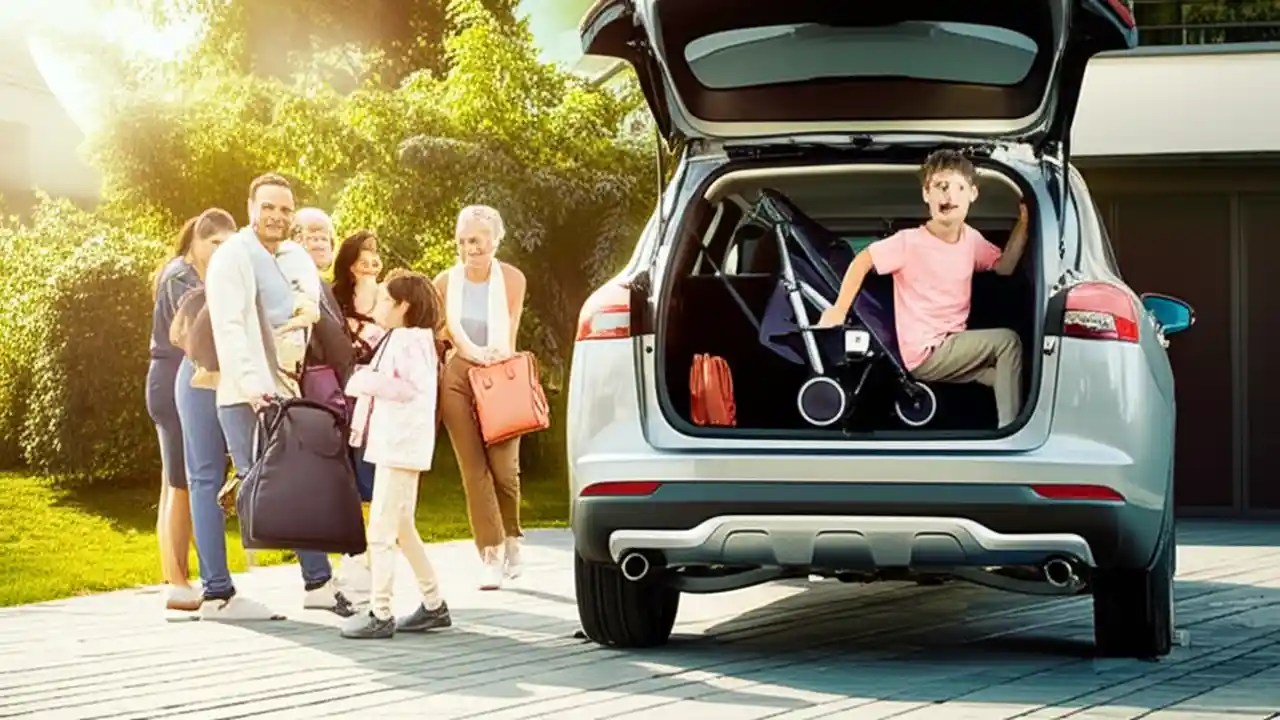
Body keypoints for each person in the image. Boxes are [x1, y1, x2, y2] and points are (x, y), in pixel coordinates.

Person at [204, 172, 345, 616]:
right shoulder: (233, 257)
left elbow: (307, 315)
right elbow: (229, 328)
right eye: (268, 207)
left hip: (286, 390)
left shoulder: (292, 259)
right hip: (248, 396)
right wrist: (254, 390)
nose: (276, 216)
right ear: (250, 208)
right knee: (267, 487)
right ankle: (218, 592)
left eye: (285, 209)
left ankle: (318, 582)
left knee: (297, 484)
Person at [816, 149, 1030, 427]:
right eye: (940, 187)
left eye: (958, 187)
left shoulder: (971, 240)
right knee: (1008, 342)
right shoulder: (909, 242)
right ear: (926, 195)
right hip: (926, 351)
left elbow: (1004, 266)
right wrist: (838, 310)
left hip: (952, 345)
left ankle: (1020, 418)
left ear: (972, 194)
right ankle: (1010, 432)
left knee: (1003, 372)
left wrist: (1024, 224)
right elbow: (863, 260)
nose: (949, 196)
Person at [340, 269, 452, 639]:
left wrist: (363, 380)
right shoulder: (405, 338)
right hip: (399, 445)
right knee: (402, 528)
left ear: (404, 306)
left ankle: (380, 611)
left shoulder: (407, 341)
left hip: (399, 446)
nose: (380, 304)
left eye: (387, 299)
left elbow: (409, 389)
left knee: (381, 532)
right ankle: (433, 603)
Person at [434, 205, 528, 591]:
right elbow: (442, 332)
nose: (469, 248)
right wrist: (470, 352)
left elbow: (511, 327)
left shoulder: (513, 278)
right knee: (474, 471)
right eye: (462, 240)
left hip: (501, 372)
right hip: (458, 375)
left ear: (494, 239)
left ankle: (512, 539)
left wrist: (493, 356)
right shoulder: (443, 282)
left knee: (504, 470)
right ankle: (489, 554)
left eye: (476, 239)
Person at [148, 210, 237, 610]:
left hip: (183, 375)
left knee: (177, 482)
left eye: (226, 245)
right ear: (195, 241)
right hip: (173, 378)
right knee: (182, 483)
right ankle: (178, 582)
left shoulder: (193, 273)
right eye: (213, 243)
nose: (220, 252)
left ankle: (178, 579)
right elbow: (194, 333)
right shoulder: (180, 276)